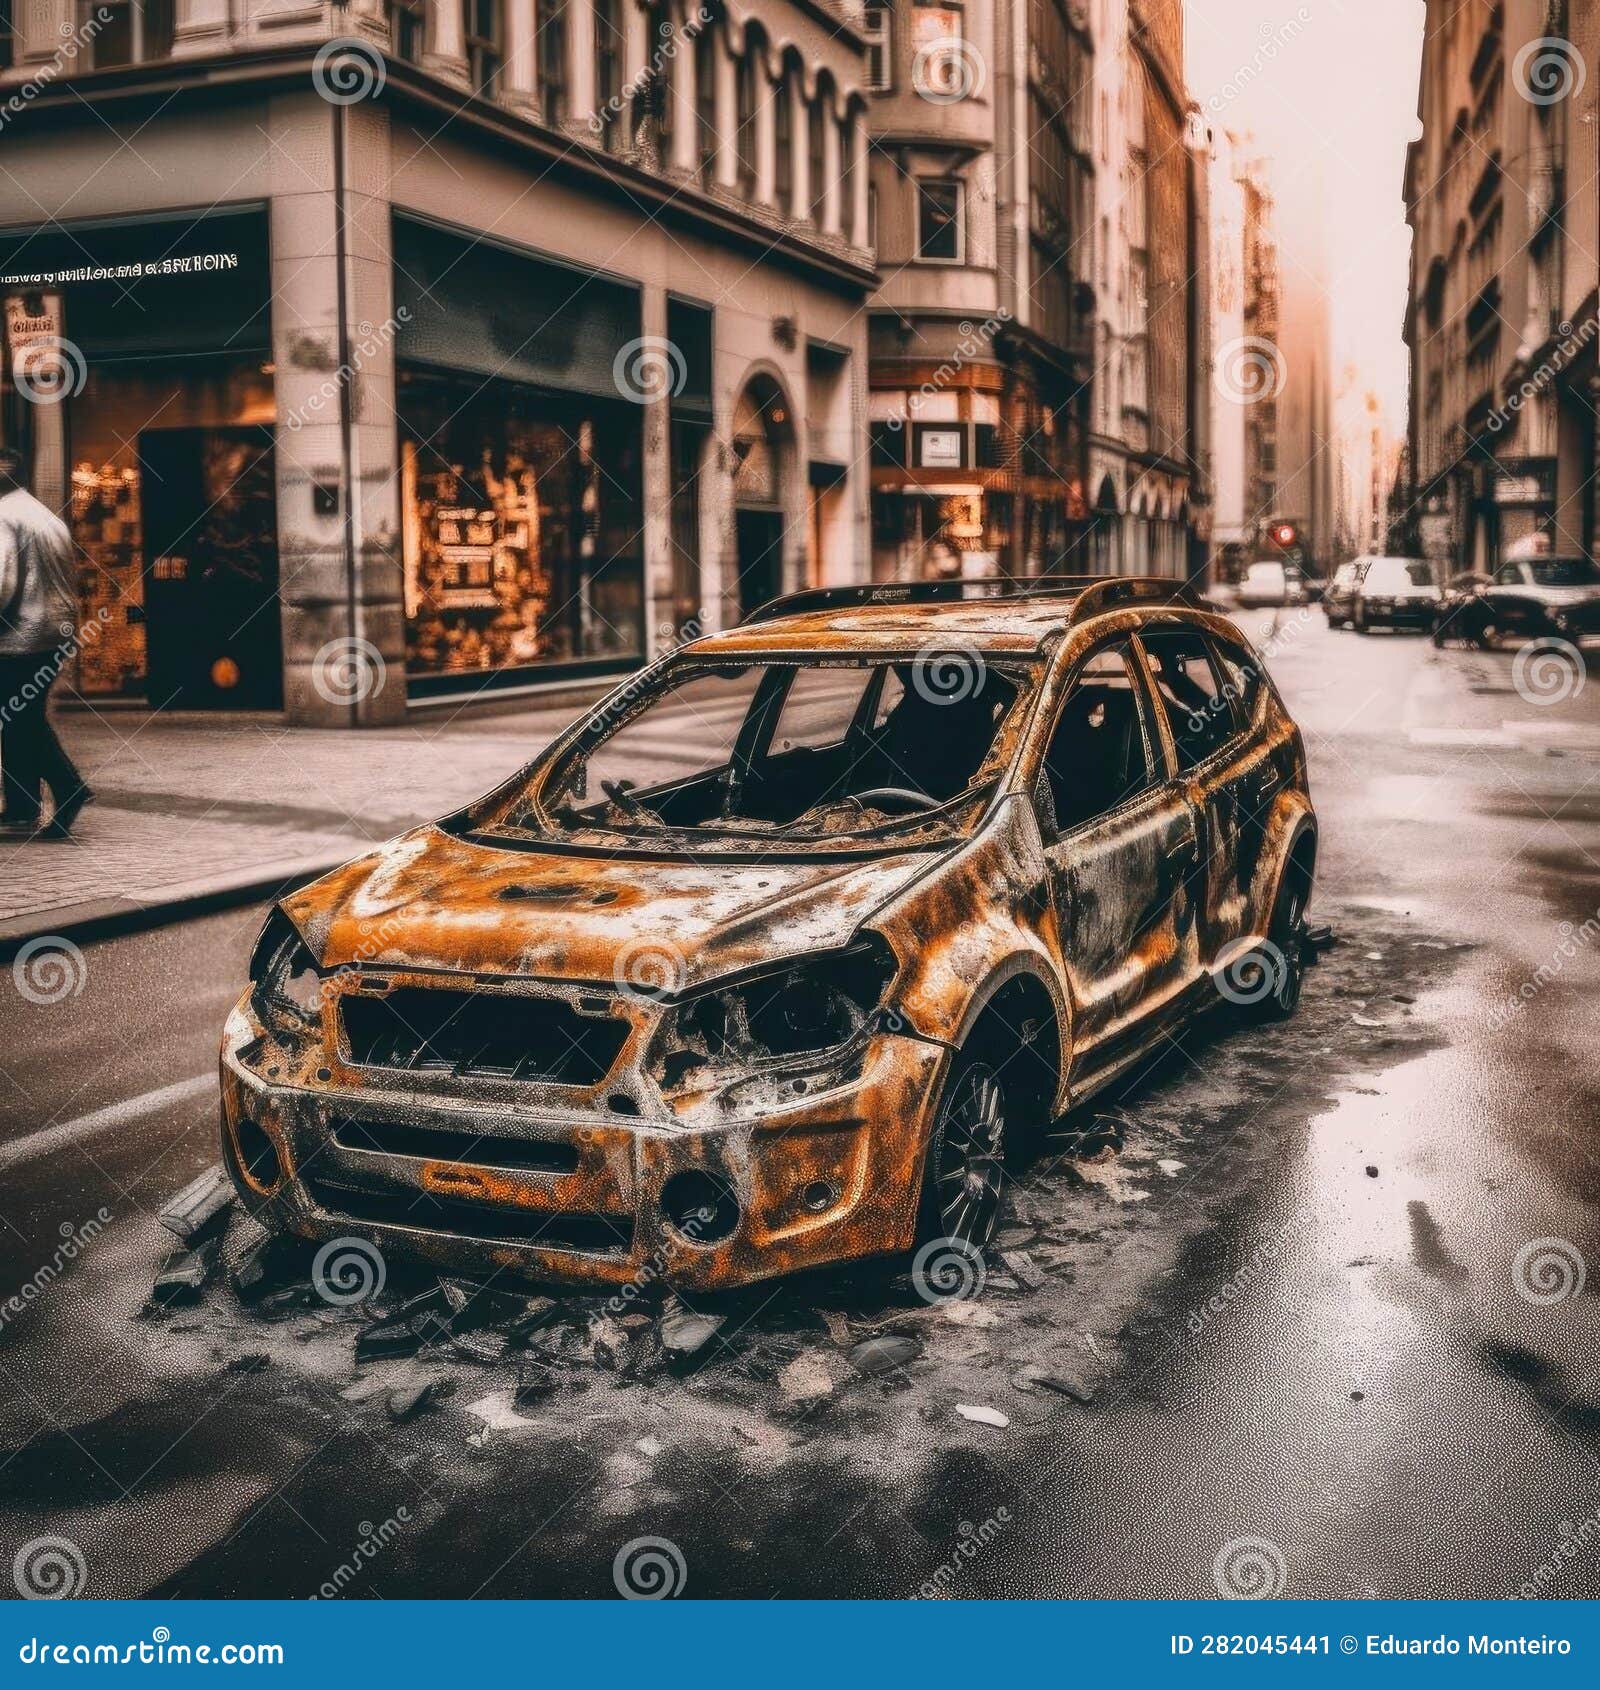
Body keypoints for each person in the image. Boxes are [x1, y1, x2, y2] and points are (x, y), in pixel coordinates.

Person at [0, 447, 92, 839]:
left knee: (19, 718)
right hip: (55, 632)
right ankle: (22, 806)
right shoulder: (42, 513)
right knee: (20, 717)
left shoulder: (4, 516)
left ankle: (68, 788)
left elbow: (3, 582)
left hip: (20, 635)